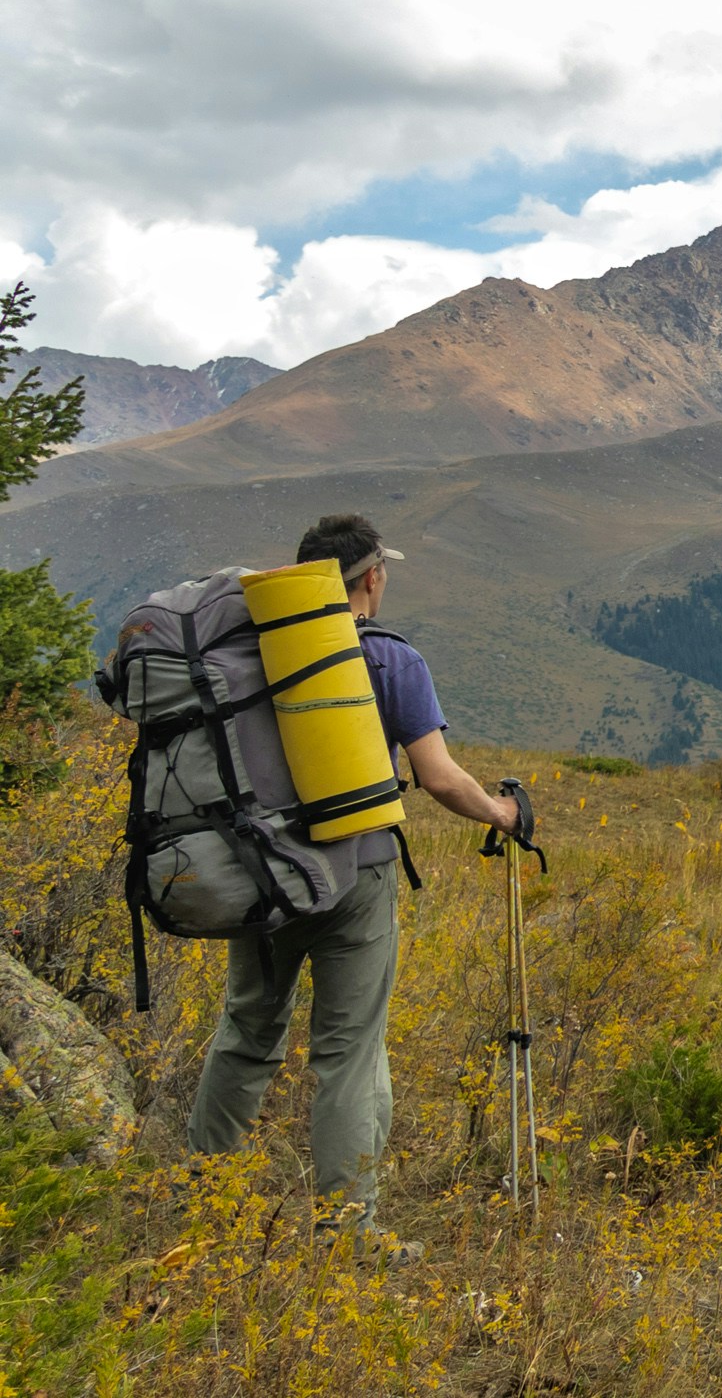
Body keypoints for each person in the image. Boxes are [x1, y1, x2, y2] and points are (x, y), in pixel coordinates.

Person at [185, 513, 534, 1235]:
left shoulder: (253, 650)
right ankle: (347, 1228)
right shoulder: (390, 660)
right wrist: (502, 815)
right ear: (371, 577)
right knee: (347, 1053)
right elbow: (436, 778)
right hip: (355, 879)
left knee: (247, 1029)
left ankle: (199, 1191)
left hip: (262, 876)